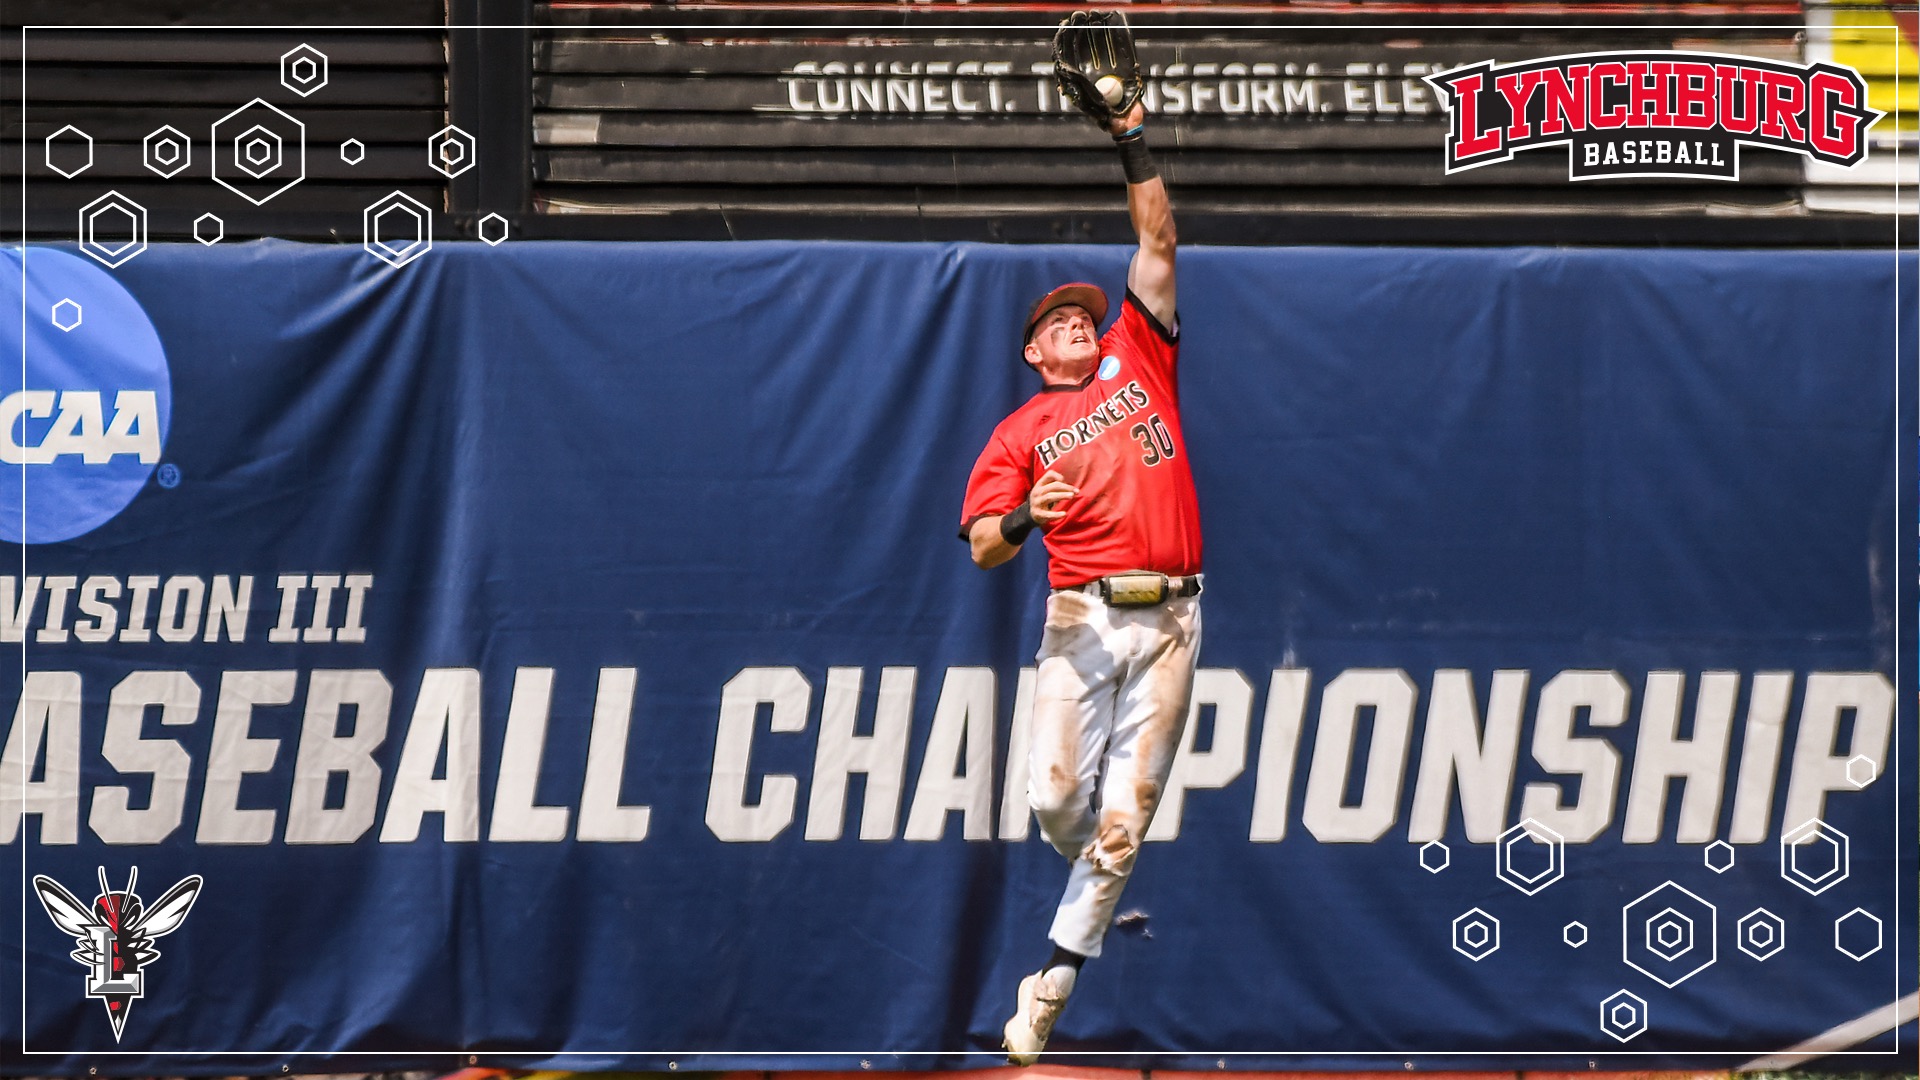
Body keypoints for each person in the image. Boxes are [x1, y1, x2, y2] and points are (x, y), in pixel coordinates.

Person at [957, 99, 1201, 1066]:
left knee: (1121, 825)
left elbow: (1158, 238)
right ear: (1032, 352)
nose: (1076, 322)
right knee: (1060, 804)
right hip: (1082, 619)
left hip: (1172, 617)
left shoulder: (1138, 355)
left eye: (1082, 316)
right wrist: (1025, 516)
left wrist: (1129, 134)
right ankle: (1097, 886)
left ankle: (1051, 987)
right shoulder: (1019, 433)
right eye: (1057, 321)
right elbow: (984, 545)